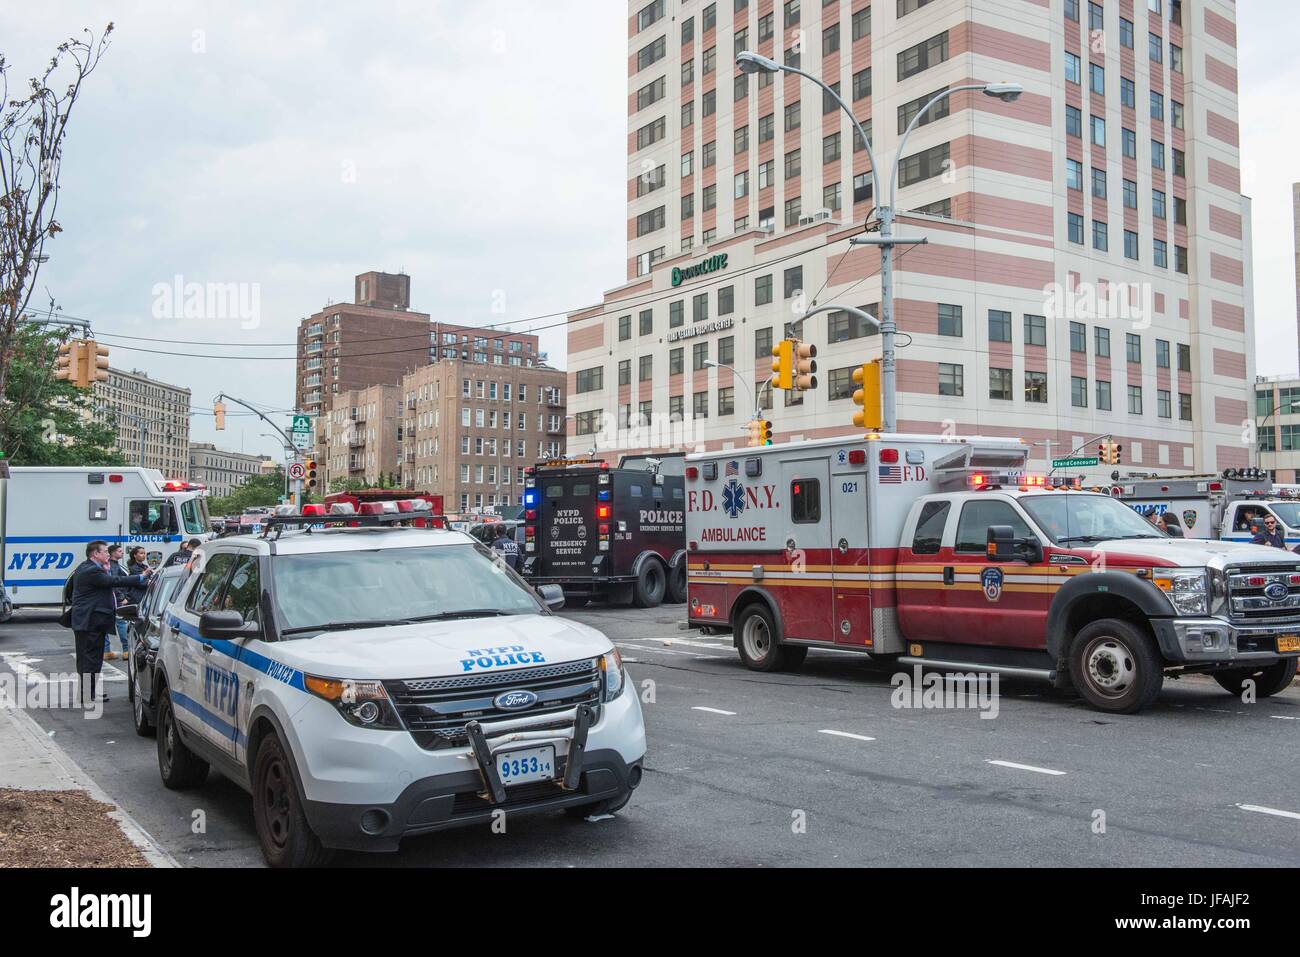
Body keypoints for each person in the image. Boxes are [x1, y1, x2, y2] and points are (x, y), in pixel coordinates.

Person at [69, 540, 150, 703]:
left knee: (93, 659)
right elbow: (115, 581)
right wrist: (142, 577)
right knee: (89, 660)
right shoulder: (91, 570)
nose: (108, 554)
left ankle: (89, 692)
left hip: (93, 621)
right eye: (105, 551)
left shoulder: (90, 568)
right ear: (95, 554)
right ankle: (87, 694)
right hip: (89, 621)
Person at [102, 544, 133, 661]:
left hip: (107, 599)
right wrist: (121, 598)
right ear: (112, 553)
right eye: (119, 551)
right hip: (116, 600)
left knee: (105, 624)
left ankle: (106, 651)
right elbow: (114, 583)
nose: (122, 553)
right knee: (121, 623)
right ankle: (126, 650)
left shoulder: (109, 565)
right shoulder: (113, 566)